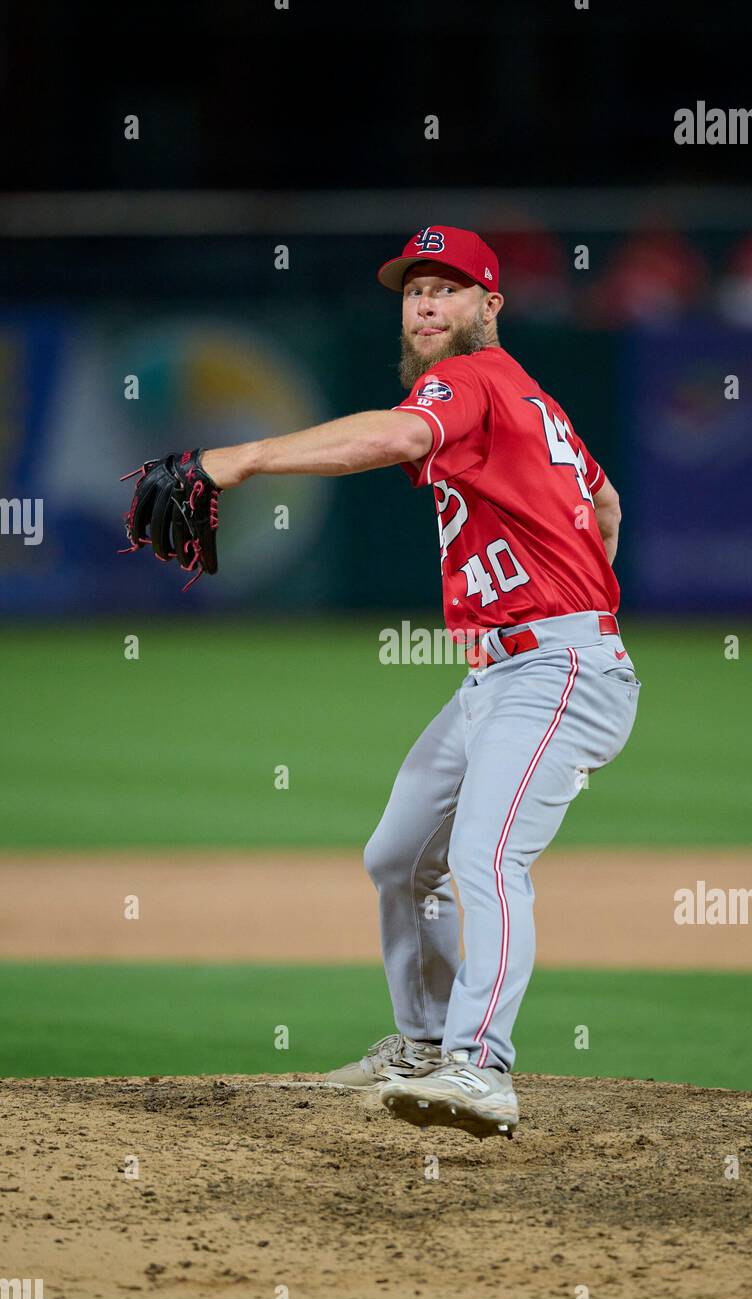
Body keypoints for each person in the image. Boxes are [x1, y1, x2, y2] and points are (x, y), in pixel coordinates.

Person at [197, 224, 642, 1139]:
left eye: (449, 288)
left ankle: (482, 1068)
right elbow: (603, 504)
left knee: (487, 857)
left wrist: (240, 458)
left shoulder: (474, 379)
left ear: (491, 308)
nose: (427, 304)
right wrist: (579, 585)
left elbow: (396, 435)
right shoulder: (533, 400)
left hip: (554, 666)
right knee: (399, 856)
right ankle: (425, 1040)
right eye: (413, 291)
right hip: (504, 671)